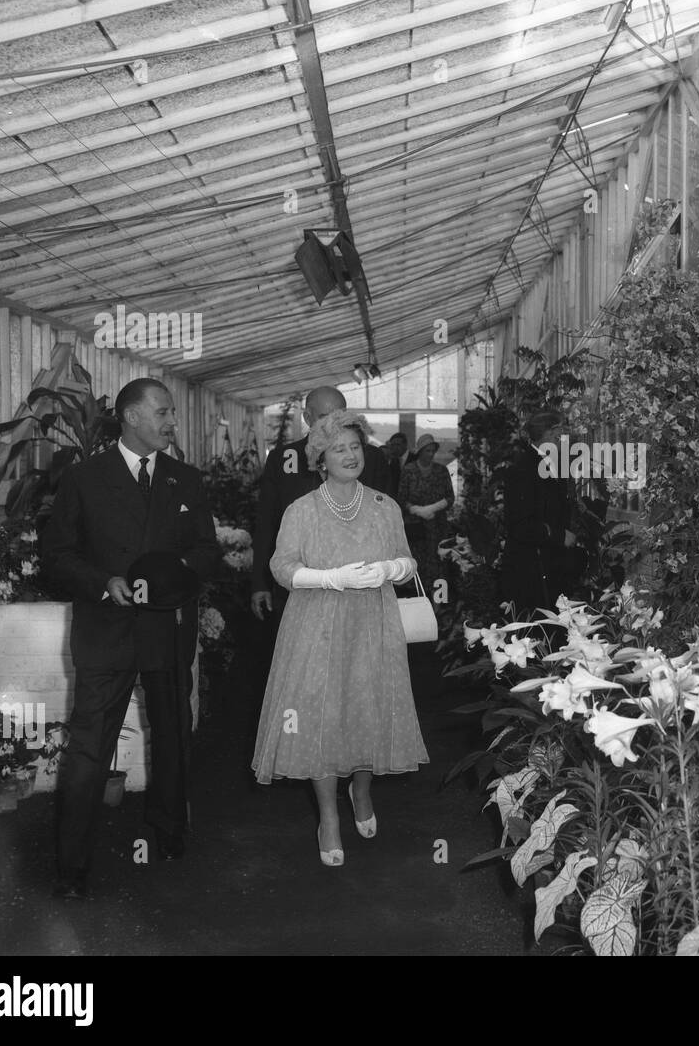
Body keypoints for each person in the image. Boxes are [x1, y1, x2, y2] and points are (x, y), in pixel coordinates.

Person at [41, 378, 220, 899]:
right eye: (162, 412)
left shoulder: (185, 479)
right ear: (130, 417)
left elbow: (208, 550)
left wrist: (175, 572)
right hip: (107, 632)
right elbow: (57, 558)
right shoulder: (83, 479)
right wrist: (103, 583)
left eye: (171, 412)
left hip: (167, 630)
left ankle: (170, 831)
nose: (171, 422)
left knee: (173, 735)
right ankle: (71, 867)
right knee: (90, 748)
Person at [251, 410, 428, 866]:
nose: (349, 456)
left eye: (355, 447)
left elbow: (409, 561)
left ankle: (362, 791)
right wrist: (330, 578)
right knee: (320, 717)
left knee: (367, 707)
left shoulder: (384, 506)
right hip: (316, 626)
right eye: (338, 449)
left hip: (374, 623)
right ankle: (328, 815)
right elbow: (281, 568)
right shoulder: (302, 510)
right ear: (321, 459)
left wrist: (393, 569)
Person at [250, 386, 392, 628]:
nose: (333, 424)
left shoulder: (369, 457)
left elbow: (385, 525)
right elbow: (266, 524)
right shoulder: (285, 458)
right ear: (307, 418)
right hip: (300, 587)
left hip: (358, 589)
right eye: (324, 417)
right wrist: (259, 583)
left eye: (340, 415)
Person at [500, 410, 577, 616]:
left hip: (549, 563)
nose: (565, 440)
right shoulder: (523, 469)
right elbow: (519, 525)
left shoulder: (553, 465)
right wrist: (560, 535)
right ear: (550, 435)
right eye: (562, 434)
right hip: (530, 569)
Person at [397, 433, 454, 588]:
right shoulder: (409, 470)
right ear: (420, 451)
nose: (430, 454)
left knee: (439, 567)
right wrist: (416, 510)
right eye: (427, 451)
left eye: (432, 451)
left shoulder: (441, 471)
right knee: (416, 565)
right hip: (416, 528)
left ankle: (439, 605)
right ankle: (418, 603)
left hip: (437, 527)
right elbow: (401, 499)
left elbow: (450, 497)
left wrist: (434, 508)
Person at [383, 431, 409, 495]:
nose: (395, 448)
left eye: (398, 445)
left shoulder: (415, 458)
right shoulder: (393, 461)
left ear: (405, 445)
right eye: (392, 445)